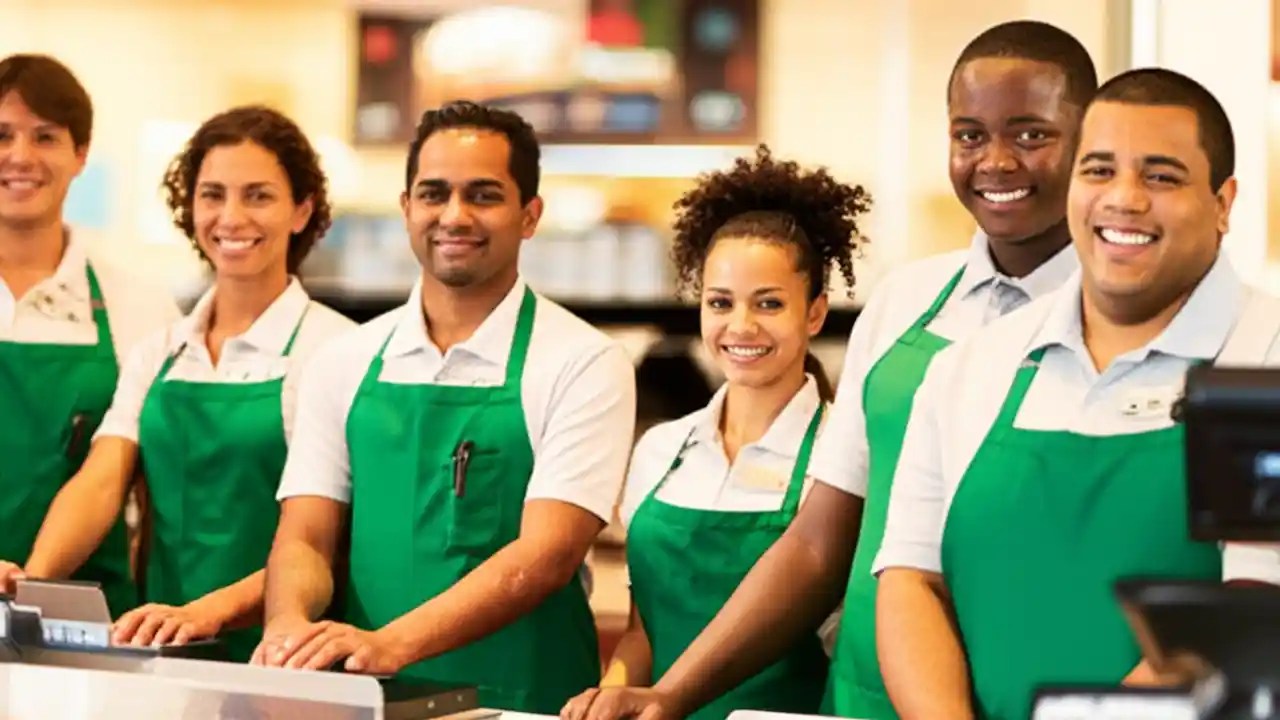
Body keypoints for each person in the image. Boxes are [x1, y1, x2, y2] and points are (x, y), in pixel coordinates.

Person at [557, 20, 1095, 720]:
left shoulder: (1115, 317)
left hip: (1035, 684)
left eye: (1031, 134)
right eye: (969, 134)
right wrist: (670, 695)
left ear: (1091, 140)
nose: (995, 160)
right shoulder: (904, 301)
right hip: (868, 693)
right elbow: (818, 544)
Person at [875, 68, 1280, 720]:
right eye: (1098, 170)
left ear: (1223, 203)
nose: (1123, 198)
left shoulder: (1266, 359)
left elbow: (1252, 603)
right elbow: (910, 581)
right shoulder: (972, 368)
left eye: (1161, 176)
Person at [254, 100, 637, 714]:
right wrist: (287, 627)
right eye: (433, 194)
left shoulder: (584, 362)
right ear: (406, 208)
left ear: (530, 215)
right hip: (371, 696)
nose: (454, 216)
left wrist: (389, 645)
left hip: (522, 700)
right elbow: (306, 536)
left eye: (483, 195)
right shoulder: (343, 362)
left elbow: (546, 557)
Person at [2, 105, 355, 661]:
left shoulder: (337, 352)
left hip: (287, 654)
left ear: (302, 210)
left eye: (258, 195)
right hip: (159, 644)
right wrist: (30, 582)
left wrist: (206, 613)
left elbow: (326, 542)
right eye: (212, 195)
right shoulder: (159, 350)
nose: (231, 217)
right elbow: (102, 480)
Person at [563, 146, 870, 720]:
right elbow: (644, 630)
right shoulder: (660, 451)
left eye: (770, 304)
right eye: (720, 303)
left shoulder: (842, 455)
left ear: (816, 313)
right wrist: (613, 694)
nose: (741, 327)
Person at [0, 54, 179, 616]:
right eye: (2, 135)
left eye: (45, 137)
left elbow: (148, 487)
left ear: (81, 154)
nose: (20, 157)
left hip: (90, 624)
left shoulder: (142, 307)